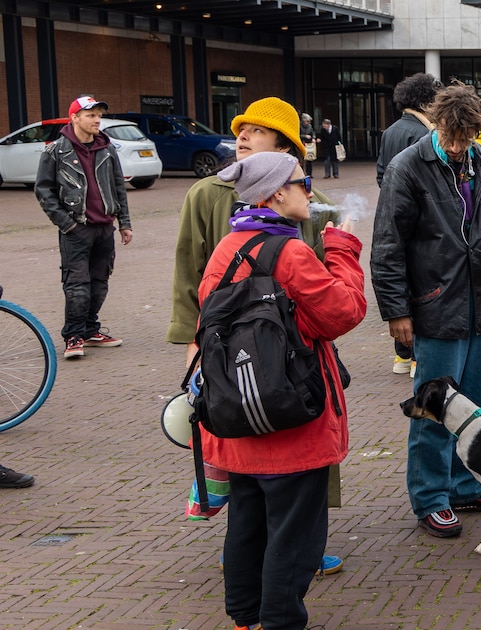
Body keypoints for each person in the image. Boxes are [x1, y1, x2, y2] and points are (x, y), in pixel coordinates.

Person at [165, 96, 344, 575]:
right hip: (226, 344)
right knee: (236, 437)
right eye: (241, 129)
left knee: (299, 435)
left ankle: (299, 545)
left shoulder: (309, 198)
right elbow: (190, 270)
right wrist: (192, 343)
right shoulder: (207, 193)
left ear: (285, 149)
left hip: (291, 345)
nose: (243, 136)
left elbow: (317, 281)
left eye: (258, 131)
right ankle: (254, 552)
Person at [199, 151, 365, 630]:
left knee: (246, 525)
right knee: (294, 540)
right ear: (275, 194)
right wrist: (342, 248)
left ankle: (245, 618)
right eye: (302, 182)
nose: (309, 192)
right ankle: (281, 621)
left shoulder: (227, 247)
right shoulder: (290, 253)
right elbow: (343, 312)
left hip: (238, 416)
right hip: (292, 422)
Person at [372, 83, 481, 539]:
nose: (458, 147)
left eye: (466, 138)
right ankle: (431, 497)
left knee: (477, 408)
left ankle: (463, 484)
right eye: (450, 137)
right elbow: (387, 245)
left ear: (478, 132)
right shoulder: (407, 167)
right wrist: (396, 312)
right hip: (434, 306)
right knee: (434, 408)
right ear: (436, 124)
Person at [34, 95, 132, 360]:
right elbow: (43, 190)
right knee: (77, 285)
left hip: (105, 228)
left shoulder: (107, 149)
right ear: (74, 118)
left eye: (99, 115)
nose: (97, 120)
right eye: (90, 115)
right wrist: (66, 224)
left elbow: (118, 187)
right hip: (76, 229)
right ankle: (73, 336)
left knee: (99, 284)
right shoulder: (56, 151)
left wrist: (124, 223)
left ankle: (90, 330)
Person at [376, 72, 443, 377]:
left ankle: (401, 355)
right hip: (420, 222)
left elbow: (381, 175)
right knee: (422, 285)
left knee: (400, 279)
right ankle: (418, 355)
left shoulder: (390, 132)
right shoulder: (423, 135)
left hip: (395, 219)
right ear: (426, 102)